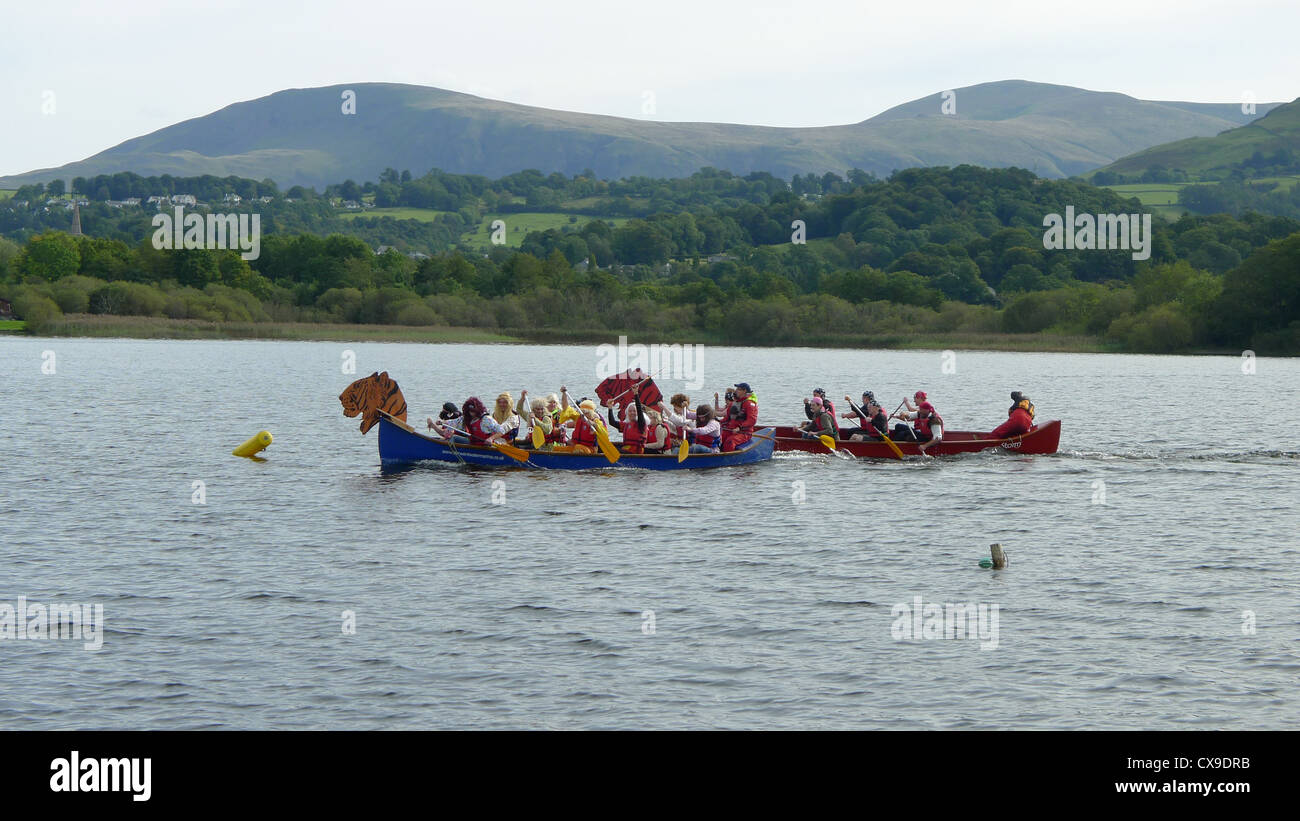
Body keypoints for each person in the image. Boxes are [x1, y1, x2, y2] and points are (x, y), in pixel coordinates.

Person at [721, 382, 758, 451]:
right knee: (718, 438)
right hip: (730, 430)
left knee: (730, 441)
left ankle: (728, 459)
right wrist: (718, 423)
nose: (736, 391)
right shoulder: (733, 403)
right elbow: (727, 418)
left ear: (744, 391)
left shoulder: (750, 404)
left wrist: (739, 428)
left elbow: (752, 420)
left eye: (738, 389)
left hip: (744, 433)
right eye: (736, 389)